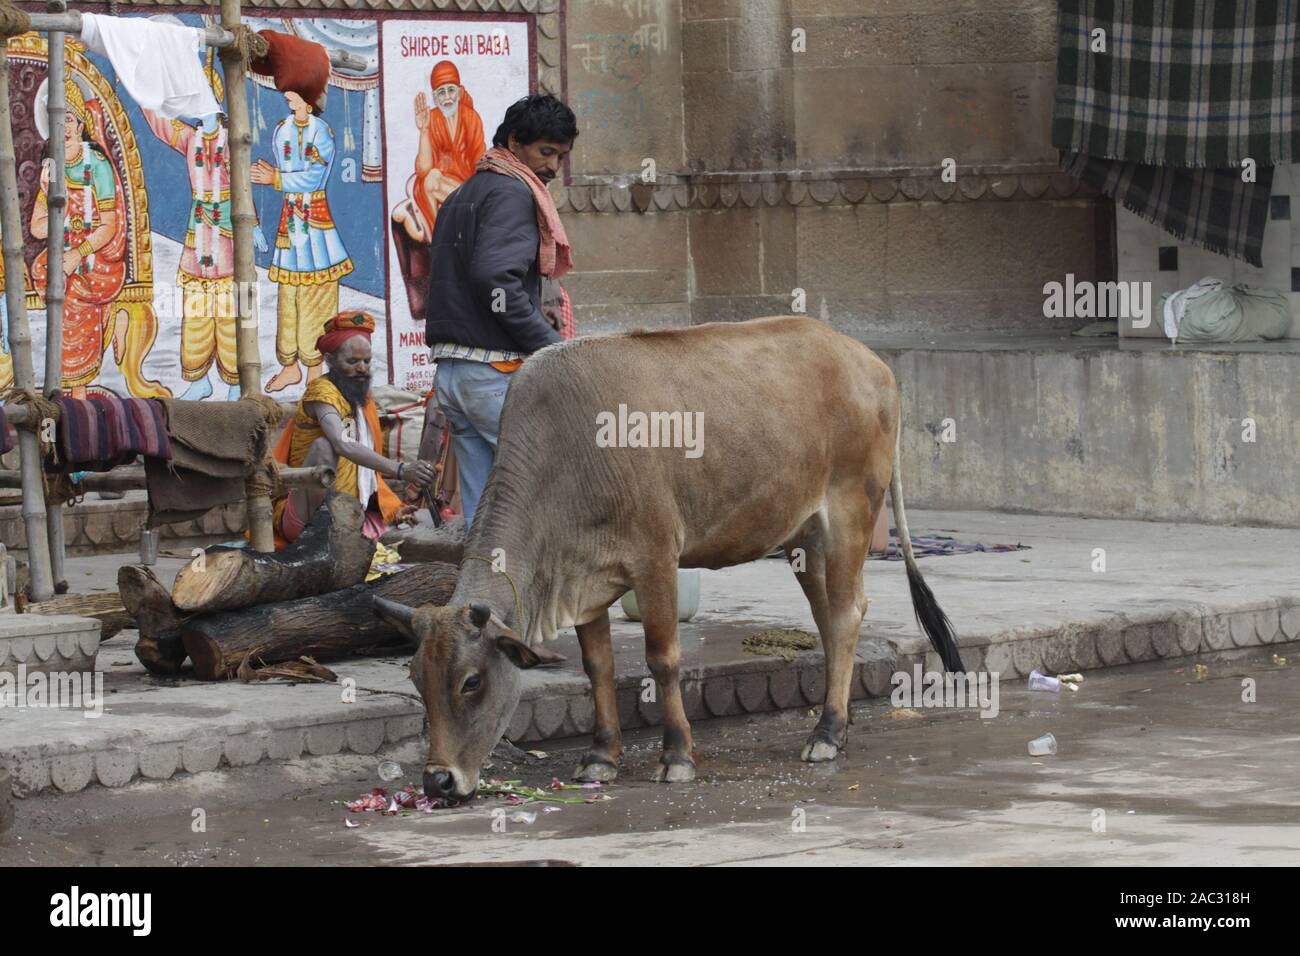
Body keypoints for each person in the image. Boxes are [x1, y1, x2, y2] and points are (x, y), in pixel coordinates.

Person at [426, 93, 578, 528]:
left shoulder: (462, 194)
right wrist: (552, 348)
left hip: (454, 375)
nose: (552, 166)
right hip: (494, 372)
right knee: (547, 489)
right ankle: (552, 595)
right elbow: (496, 279)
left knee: (485, 511)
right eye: (545, 152)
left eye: (561, 156)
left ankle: (488, 593)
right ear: (515, 143)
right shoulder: (513, 192)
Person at [272, 311, 435, 549]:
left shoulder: (362, 398)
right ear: (329, 360)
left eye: (367, 361)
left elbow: (366, 472)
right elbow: (342, 443)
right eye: (352, 362)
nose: (362, 368)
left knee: (430, 521)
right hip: (307, 517)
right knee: (324, 447)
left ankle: (358, 530)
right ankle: (322, 533)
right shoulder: (321, 392)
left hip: (354, 514)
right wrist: (401, 469)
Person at [250, 30, 354, 394]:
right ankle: (290, 365)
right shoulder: (281, 131)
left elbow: (313, 177)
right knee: (289, 299)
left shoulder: (321, 133)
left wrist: (275, 177)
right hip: (290, 225)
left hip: (315, 226)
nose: (287, 98)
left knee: (316, 298)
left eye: (293, 94)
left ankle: (313, 371)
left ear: (308, 99)